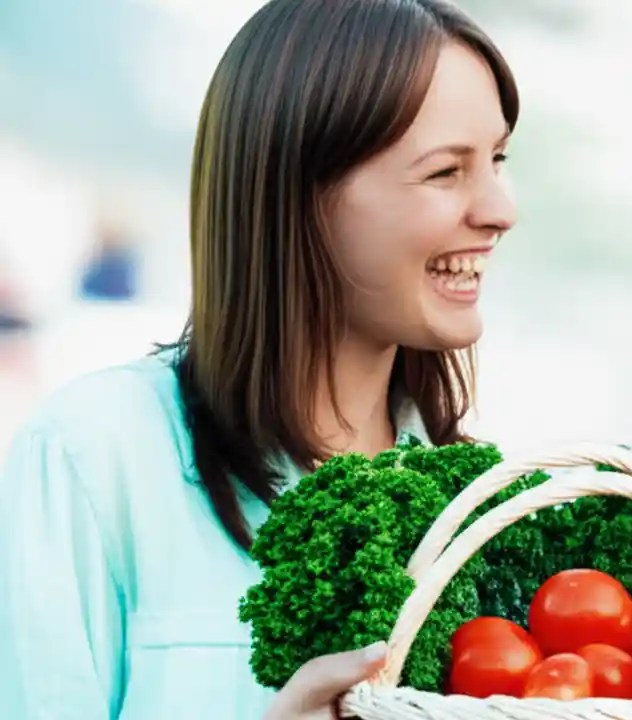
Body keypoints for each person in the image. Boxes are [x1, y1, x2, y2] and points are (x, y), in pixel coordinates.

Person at [0, 1, 519, 718]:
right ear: (300, 193)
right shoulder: (92, 456)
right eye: (444, 173)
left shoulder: (480, 506)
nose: (500, 209)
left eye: (497, 160)